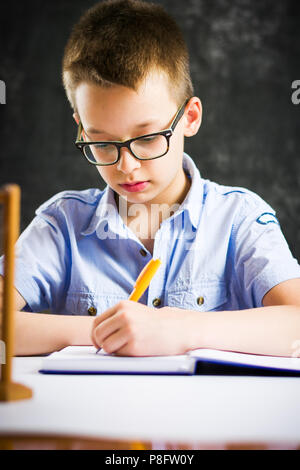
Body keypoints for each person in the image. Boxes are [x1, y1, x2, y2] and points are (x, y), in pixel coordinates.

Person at [1, 0, 300, 357]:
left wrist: (179, 329)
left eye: (147, 138)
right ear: (81, 130)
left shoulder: (239, 218)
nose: (126, 166)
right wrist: (108, 329)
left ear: (189, 117)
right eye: (102, 143)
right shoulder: (63, 223)